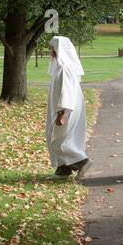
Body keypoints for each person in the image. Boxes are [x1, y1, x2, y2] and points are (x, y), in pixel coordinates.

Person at [47, 36, 90, 178]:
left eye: (52, 49)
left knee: (59, 141)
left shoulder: (65, 69)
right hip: (62, 109)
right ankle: (63, 168)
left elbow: (67, 92)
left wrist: (62, 114)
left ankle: (82, 162)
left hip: (65, 109)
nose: (50, 52)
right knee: (56, 137)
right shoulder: (62, 67)